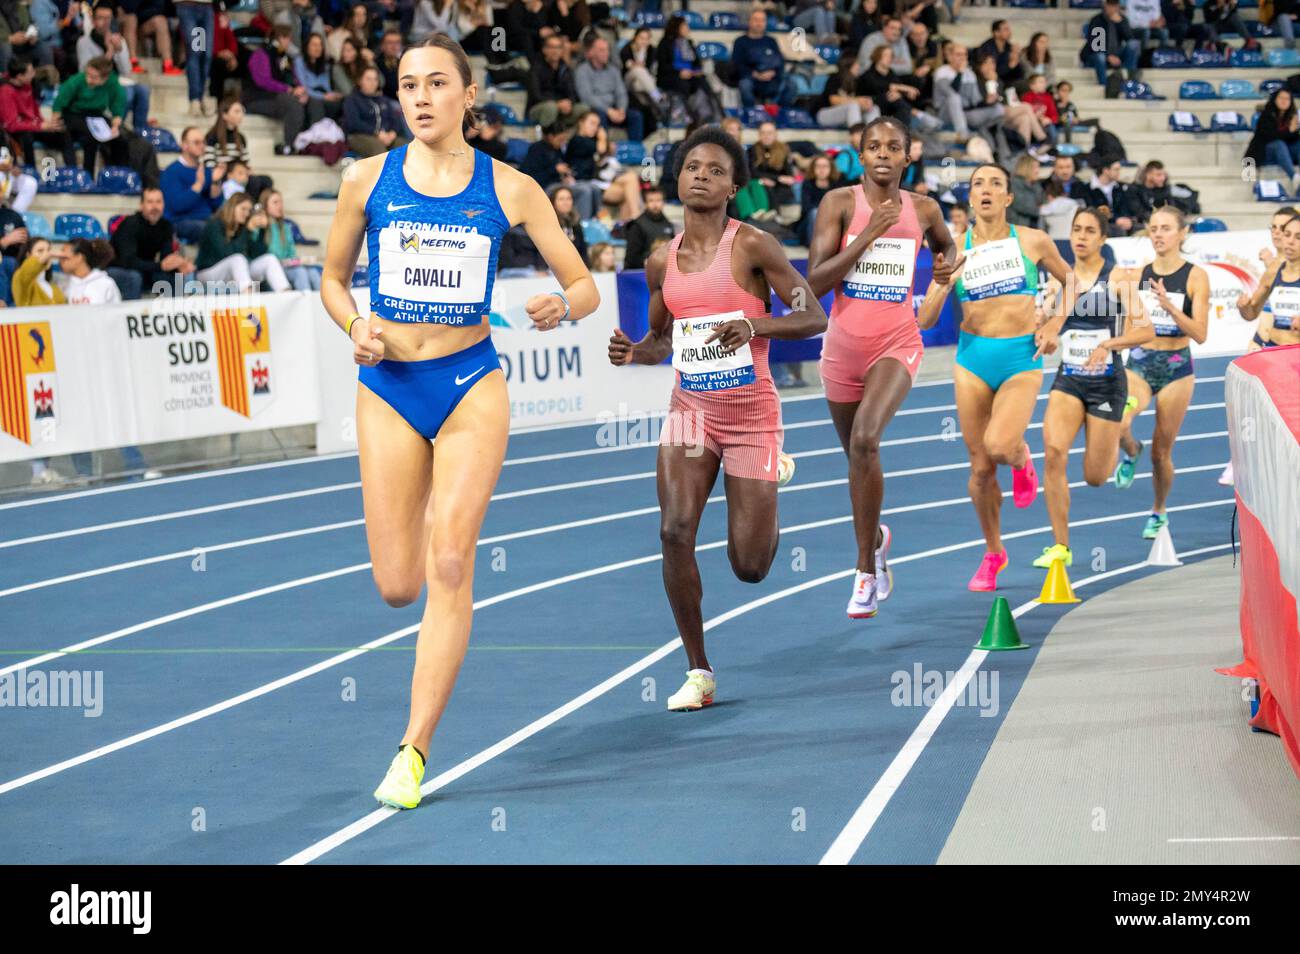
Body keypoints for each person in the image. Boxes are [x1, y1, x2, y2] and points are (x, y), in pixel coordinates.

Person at [320, 34, 597, 809]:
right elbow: (333, 281)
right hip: (389, 385)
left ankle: (412, 751)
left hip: (472, 381)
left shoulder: (511, 188)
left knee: (449, 562)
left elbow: (584, 286)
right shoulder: (364, 181)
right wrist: (353, 328)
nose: (419, 97)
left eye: (436, 83)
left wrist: (559, 303)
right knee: (398, 585)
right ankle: (439, 540)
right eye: (408, 84)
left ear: (467, 95)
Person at [606, 126, 827, 711]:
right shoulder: (661, 260)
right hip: (690, 411)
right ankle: (699, 670)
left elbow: (814, 317)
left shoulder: (753, 246)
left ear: (733, 188)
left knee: (749, 566)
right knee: (674, 529)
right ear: (677, 179)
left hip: (752, 413)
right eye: (693, 166)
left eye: (716, 170)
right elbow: (661, 338)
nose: (702, 174)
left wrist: (757, 325)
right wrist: (636, 352)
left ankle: (770, 470)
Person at [807, 116, 957, 618]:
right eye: (874, 146)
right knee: (855, 457)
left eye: (894, 147)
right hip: (842, 350)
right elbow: (817, 281)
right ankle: (877, 537)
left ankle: (864, 569)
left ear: (908, 156)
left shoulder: (925, 208)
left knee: (867, 441)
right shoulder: (839, 204)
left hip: (897, 340)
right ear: (861, 153)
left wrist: (942, 268)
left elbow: (947, 246)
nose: (884, 154)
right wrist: (868, 232)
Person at [929, 162, 1071, 590]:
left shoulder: (1033, 241)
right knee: (979, 469)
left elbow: (1074, 281)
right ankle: (994, 553)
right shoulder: (955, 249)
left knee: (1000, 445)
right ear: (970, 199)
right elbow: (924, 318)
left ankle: (1022, 460)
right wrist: (940, 283)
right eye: (978, 184)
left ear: (1009, 197)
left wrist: (1054, 325)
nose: (986, 190)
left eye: (995, 184)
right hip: (972, 359)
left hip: (1020, 359)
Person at [1033, 207, 1152, 567]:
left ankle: (1130, 446)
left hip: (1107, 384)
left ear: (1103, 238)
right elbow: (1044, 329)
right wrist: (1044, 333)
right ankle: (1061, 546)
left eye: (1089, 231)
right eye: (1076, 230)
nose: (1081, 237)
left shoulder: (1119, 279)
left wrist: (1107, 346)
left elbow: (1145, 332)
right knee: (1053, 451)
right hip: (1069, 379)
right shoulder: (1058, 281)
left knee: (1096, 477)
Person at [1112, 205, 1210, 537]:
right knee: (1120, 423)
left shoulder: (1196, 277)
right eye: (1153, 228)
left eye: (1166, 228)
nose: (1158, 234)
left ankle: (1158, 510)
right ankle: (1130, 450)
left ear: (1182, 233)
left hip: (1176, 369)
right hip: (1139, 363)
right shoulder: (1136, 275)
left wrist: (1169, 306)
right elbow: (1127, 327)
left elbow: (1200, 333)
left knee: (1160, 453)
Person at [243, 24, 326, 155]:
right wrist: (289, 90)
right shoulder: (261, 54)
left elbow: (293, 78)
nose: (289, 42)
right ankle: (289, 145)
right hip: (258, 98)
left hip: (278, 97)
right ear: (277, 38)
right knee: (292, 103)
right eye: (286, 38)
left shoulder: (284, 57)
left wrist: (300, 91)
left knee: (313, 102)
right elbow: (263, 81)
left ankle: (312, 142)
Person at [108, 186, 194, 299]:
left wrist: (179, 264)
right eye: (150, 202)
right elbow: (129, 261)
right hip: (118, 269)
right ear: (141, 205)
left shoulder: (166, 226)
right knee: (134, 277)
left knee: (175, 276)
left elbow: (166, 259)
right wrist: (160, 265)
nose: (155, 207)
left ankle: (173, 313)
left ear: (163, 204)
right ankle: (133, 314)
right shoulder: (129, 224)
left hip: (144, 268)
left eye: (158, 202)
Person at [195, 193, 291, 292]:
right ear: (232, 207)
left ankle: (286, 294)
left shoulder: (242, 227)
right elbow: (226, 253)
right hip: (208, 273)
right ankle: (248, 297)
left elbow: (256, 254)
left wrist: (262, 230)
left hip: (235, 271)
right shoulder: (214, 224)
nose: (246, 213)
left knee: (269, 259)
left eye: (249, 210)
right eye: (243, 209)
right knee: (238, 259)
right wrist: (247, 230)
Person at [76, 3, 150, 131]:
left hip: (117, 80)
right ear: (93, 21)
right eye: (101, 18)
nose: (105, 22)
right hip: (97, 84)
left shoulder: (118, 40)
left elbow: (126, 71)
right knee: (127, 93)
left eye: (108, 18)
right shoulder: (84, 42)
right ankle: (116, 129)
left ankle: (139, 131)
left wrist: (119, 51)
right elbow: (86, 72)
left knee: (143, 90)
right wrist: (109, 52)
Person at [50, 56, 128, 177]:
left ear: (105, 78)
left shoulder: (112, 82)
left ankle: (115, 173)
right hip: (74, 114)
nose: (88, 79)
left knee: (119, 138)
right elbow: (59, 104)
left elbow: (117, 107)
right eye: (88, 75)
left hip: (96, 115)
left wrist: (115, 126)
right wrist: (54, 121)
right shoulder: (77, 80)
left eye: (94, 77)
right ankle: (85, 175)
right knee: (91, 135)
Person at [1237, 210, 1300, 350]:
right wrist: (1243, 307)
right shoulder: (1273, 271)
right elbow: (1251, 314)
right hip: (1272, 351)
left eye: (1298, 237)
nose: (1290, 241)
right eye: (1287, 234)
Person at [0, 58, 75, 167]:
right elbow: (11, 125)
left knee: (61, 131)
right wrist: (40, 126)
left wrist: (46, 124)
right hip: (18, 130)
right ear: (19, 76)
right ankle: (31, 171)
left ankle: (72, 170)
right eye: (30, 72)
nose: (34, 74)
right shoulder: (6, 92)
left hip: (33, 126)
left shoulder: (28, 85)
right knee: (27, 138)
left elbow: (35, 110)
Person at [160, 126, 225, 242]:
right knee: (208, 230)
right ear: (184, 145)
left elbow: (216, 204)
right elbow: (176, 206)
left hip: (206, 219)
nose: (202, 146)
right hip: (180, 221)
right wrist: (199, 185)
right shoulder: (172, 171)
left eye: (203, 142)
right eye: (196, 142)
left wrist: (215, 181)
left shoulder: (206, 170)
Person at [575, 34, 642, 143]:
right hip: (595, 109)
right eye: (602, 50)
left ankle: (635, 151)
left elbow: (621, 93)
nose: (606, 53)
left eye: (607, 50)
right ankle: (603, 151)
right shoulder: (582, 71)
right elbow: (587, 97)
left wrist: (621, 109)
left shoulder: (613, 70)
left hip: (615, 108)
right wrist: (608, 111)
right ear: (591, 52)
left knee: (636, 116)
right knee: (599, 116)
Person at [255, 188, 317, 290]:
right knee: (300, 272)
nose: (280, 206)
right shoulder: (260, 227)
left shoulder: (286, 227)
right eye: (275, 202)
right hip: (272, 269)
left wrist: (295, 261)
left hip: (287, 265)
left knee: (313, 272)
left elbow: (291, 252)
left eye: (281, 202)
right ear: (265, 206)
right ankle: (305, 306)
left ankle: (321, 305)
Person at [342, 64, 409, 158]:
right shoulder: (352, 100)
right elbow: (354, 123)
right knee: (379, 150)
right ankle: (385, 173)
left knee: (406, 148)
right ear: (360, 81)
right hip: (359, 136)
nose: (372, 83)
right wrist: (376, 133)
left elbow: (395, 119)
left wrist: (392, 133)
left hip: (386, 136)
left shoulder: (383, 100)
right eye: (368, 79)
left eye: (375, 79)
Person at [525, 32, 589, 129]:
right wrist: (557, 103)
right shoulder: (535, 69)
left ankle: (572, 140)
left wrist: (569, 103)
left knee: (583, 109)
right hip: (539, 107)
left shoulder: (565, 69)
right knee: (551, 107)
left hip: (561, 108)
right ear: (544, 49)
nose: (555, 51)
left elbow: (573, 93)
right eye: (551, 47)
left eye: (558, 47)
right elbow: (536, 96)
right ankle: (548, 140)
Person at [1246, 88, 1300, 194]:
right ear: (1275, 99)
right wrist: (1290, 131)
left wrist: (1295, 131)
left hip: (1285, 154)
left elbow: (1292, 139)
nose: (1284, 101)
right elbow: (1271, 136)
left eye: (1287, 99)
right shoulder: (1266, 116)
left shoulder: (1292, 117)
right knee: (1278, 144)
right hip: (1265, 153)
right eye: (1281, 98)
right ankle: (1294, 177)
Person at [732, 8, 787, 109]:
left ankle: (778, 112)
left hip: (771, 77)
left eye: (762, 20)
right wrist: (755, 74)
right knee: (745, 85)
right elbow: (737, 64)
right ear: (749, 21)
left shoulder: (771, 41)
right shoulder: (740, 41)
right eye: (756, 20)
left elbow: (780, 61)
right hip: (751, 77)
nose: (759, 23)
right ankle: (751, 112)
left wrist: (773, 73)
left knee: (791, 84)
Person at [1081, 0, 1141, 86]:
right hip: (1097, 54)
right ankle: (1105, 85)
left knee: (1134, 44)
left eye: (1115, 6)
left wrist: (1120, 24)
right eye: (1110, 6)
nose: (1112, 9)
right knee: (1100, 56)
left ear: (1118, 7)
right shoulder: (1097, 20)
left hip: (1117, 53)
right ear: (1105, 6)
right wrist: (1108, 55)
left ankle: (1130, 81)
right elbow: (1095, 44)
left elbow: (1129, 38)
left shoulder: (1122, 20)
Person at [174, 0, 214, 116]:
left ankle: (201, 96)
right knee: (195, 52)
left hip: (207, 6)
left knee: (206, 54)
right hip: (187, 5)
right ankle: (195, 98)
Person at [623, 186, 676, 271]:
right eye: (651, 201)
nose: (655, 205)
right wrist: (649, 261)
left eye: (658, 200)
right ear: (645, 203)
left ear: (663, 202)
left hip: (664, 271)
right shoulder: (637, 225)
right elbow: (631, 259)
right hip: (641, 274)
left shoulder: (668, 224)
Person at [1085, 156, 1141, 236]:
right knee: (1117, 230)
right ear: (1106, 170)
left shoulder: (1120, 187)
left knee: (1140, 228)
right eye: (1116, 169)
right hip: (1100, 223)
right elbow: (1093, 210)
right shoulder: (1088, 189)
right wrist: (1115, 220)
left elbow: (1125, 207)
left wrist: (1128, 220)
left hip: (1120, 222)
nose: (1119, 172)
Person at [294, 31, 344, 119]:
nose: (318, 48)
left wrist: (333, 95)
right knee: (316, 104)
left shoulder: (325, 65)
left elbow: (327, 87)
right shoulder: (299, 61)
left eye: (320, 45)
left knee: (345, 101)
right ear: (307, 47)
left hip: (323, 95)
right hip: (309, 96)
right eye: (314, 45)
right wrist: (323, 97)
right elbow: (304, 88)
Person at [60, 237, 120, 303]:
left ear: (79, 257)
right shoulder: (62, 284)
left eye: (64, 257)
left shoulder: (106, 284)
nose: (60, 261)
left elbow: (116, 311)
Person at [12, 235, 63, 306]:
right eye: (40, 251)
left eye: (48, 250)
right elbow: (26, 272)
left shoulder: (55, 288)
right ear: (28, 255)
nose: (47, 255)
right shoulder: (20, 278)